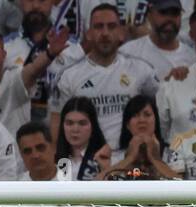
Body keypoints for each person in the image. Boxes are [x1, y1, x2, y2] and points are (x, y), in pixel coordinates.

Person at [49, 3, 157, 149]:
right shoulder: (69, 77)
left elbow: (159, 111)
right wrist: (62, 169)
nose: (105, 33)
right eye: (99, 27)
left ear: (121, 33)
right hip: (86, 161)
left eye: (111, 26)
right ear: (88, 33)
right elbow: (57, 124)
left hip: (130, 159)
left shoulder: (142, 71)